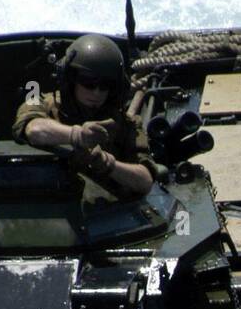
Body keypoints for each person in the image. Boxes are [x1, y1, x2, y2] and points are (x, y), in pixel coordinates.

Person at [12, 33, 155, 199]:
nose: (96, 92)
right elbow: (33, 129)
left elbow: (145, 180)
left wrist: (107, 163)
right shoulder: (39, 102)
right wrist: (78, 135)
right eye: (88, 82)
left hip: (103, 214)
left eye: (105, 85)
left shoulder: (125, 123)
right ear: (71, 79)